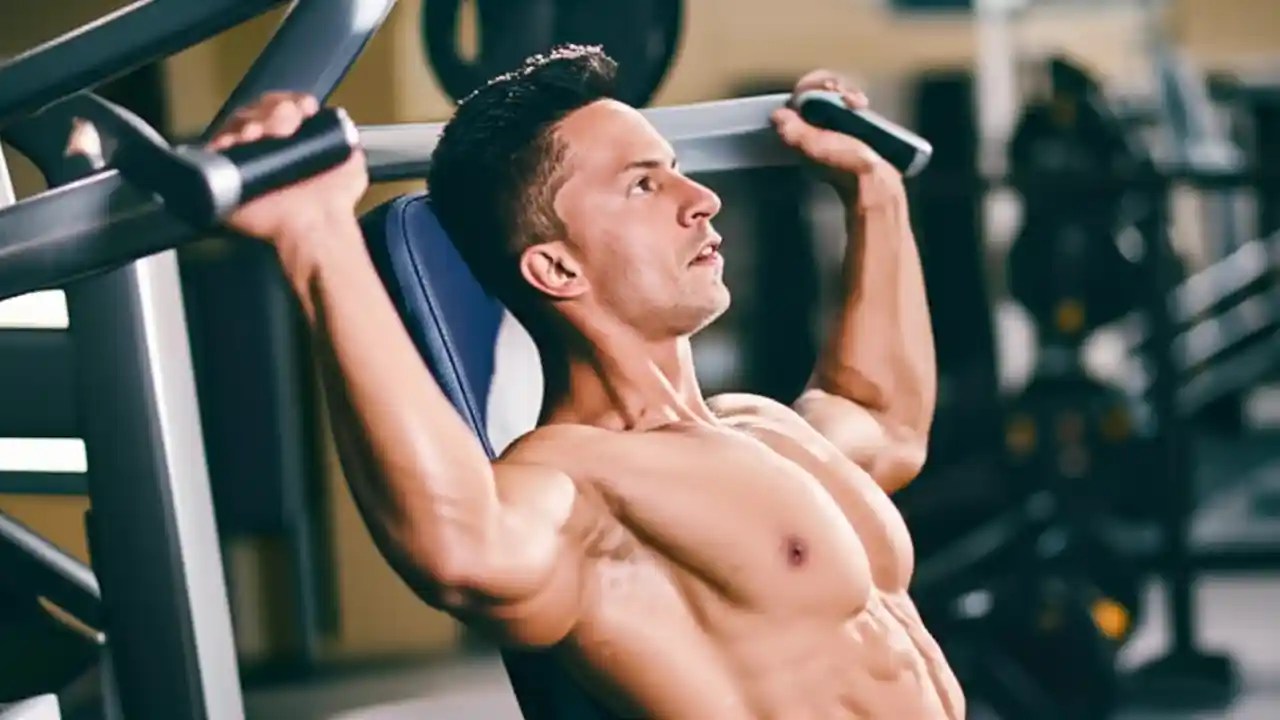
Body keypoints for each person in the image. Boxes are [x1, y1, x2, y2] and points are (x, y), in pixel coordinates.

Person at [209, 44, 963, 720]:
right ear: (556, 266)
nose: (701, 199)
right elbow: (466, 550)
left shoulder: (759, 424)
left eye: (676, 170)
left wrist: (875, 193)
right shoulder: (577, 483)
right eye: (643, 186)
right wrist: (318, 241)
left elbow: (882, 418)